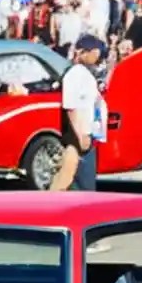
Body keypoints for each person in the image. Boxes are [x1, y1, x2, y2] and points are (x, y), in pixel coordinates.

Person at [50, 35, 106, 192]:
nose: (97, 56)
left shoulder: (86, 74)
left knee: (81, 184)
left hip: (87, 136)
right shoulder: (74, 75)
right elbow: (71, 108)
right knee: (80, 186)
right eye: (94, 52)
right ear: (82, 53)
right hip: (79, 138)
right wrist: (81, 136)